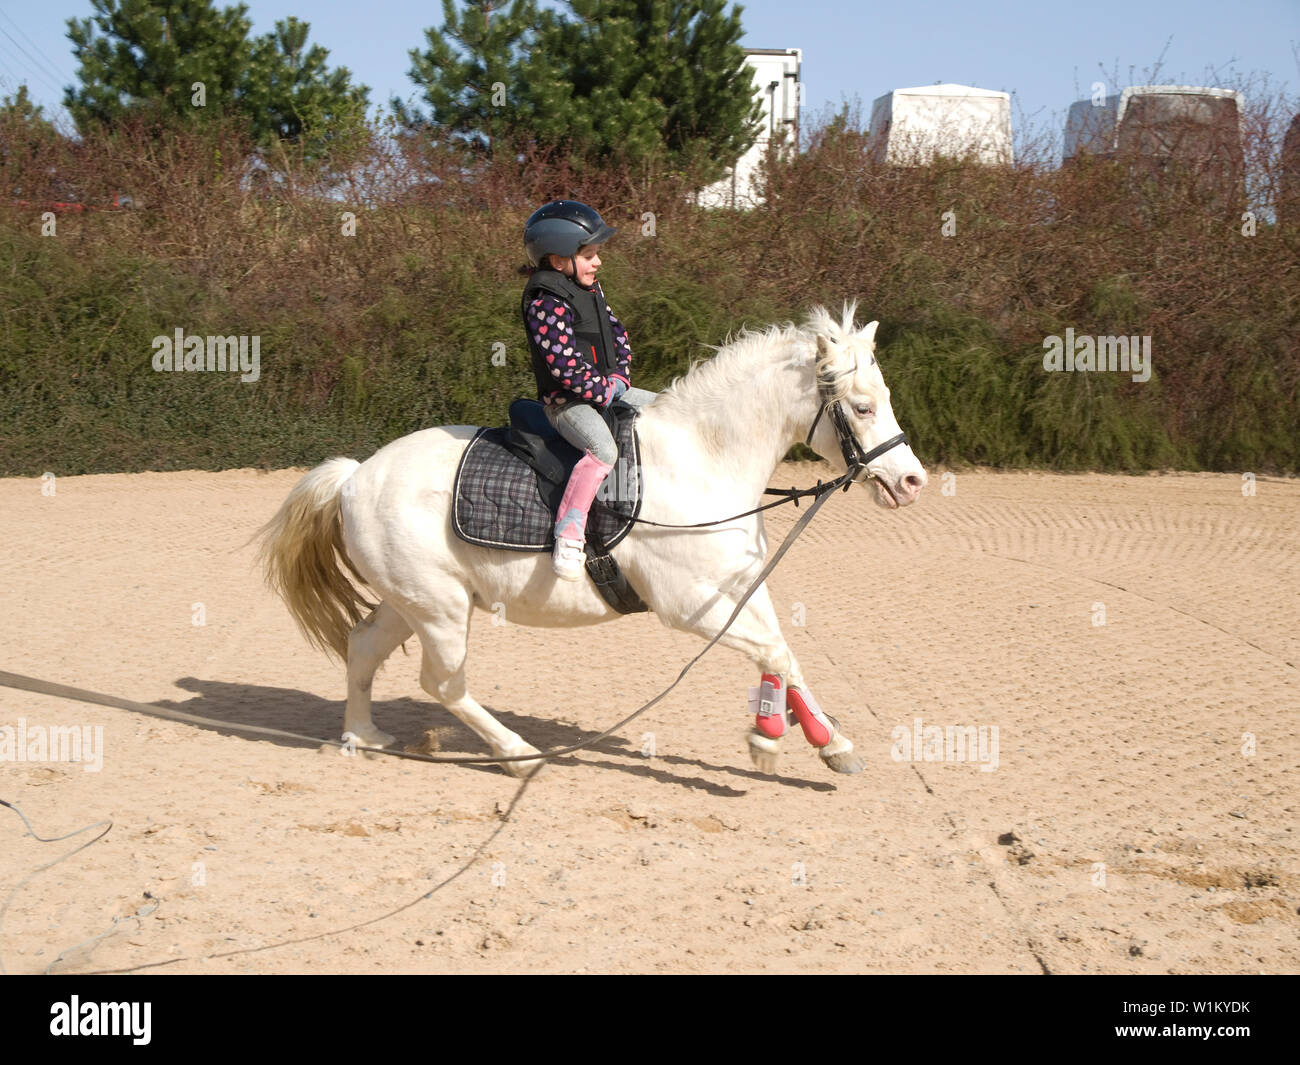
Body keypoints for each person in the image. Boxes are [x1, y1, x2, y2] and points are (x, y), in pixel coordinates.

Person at [520, 200, 656, 581]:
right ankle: (569, 531)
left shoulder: (591, 289)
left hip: (607, 389)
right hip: (567, 404)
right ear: (559, 260)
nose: (598, 262)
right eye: (589, 255)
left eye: (597, 254)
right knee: (602, 450)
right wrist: (602, 391)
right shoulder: (546, 301)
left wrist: (621, 379)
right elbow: (561, 364)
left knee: (667, 408)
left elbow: (618, 335)